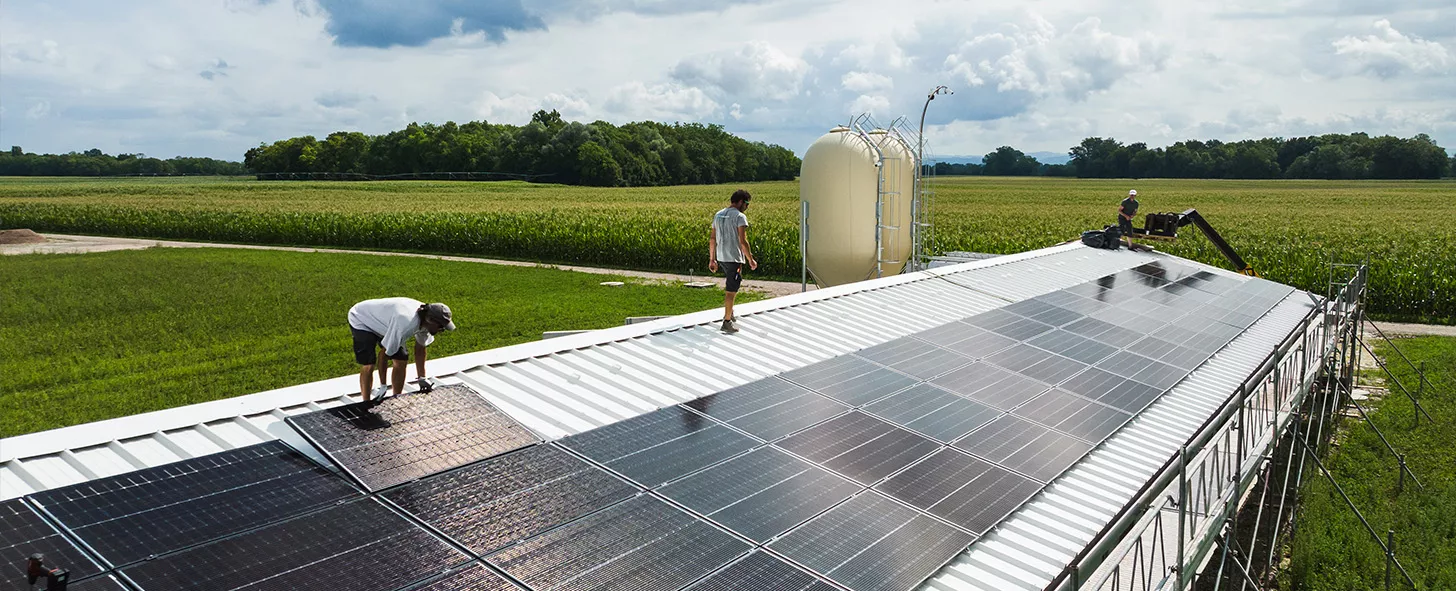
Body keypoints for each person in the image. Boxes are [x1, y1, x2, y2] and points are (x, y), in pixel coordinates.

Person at [348, 298, 455, 403]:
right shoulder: (406, 324)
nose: (442, 330)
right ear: (430, 320)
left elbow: (420, 348)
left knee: (401, 359)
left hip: (386, 322)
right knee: (369, 363)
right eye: (440, 326)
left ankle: (396, 398)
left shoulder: (426, 320)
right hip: (362, 319)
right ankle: (366, 402)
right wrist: (383, 385)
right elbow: (383, 355)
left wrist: (422, 378)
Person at [709, 189, 757, 334]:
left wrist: (712, 259)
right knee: (731, 291)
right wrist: (750, 259)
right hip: (734, 258)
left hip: (722, 257)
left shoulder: (718, 215)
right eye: (747, 203)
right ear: (741, 201)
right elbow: (743, 242)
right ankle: (727, 322)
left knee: (731, 286)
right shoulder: (740, 217)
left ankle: (730, 312)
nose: (747, 206)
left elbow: (712, 239)